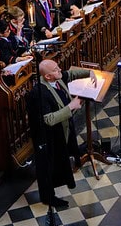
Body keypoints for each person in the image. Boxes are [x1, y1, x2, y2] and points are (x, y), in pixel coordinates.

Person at [27, 60, 94, 208]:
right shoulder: (40, 93)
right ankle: (48, 197)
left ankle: (67, 173)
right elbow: (48, 119)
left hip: (62, 128)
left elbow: (69, 74)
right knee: (47, 165)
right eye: (56, 70)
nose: (60, 71)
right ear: (48, 77)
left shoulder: (56, 77)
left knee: (62, 157)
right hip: (47, 136)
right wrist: (70, 107)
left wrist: (89, 72)